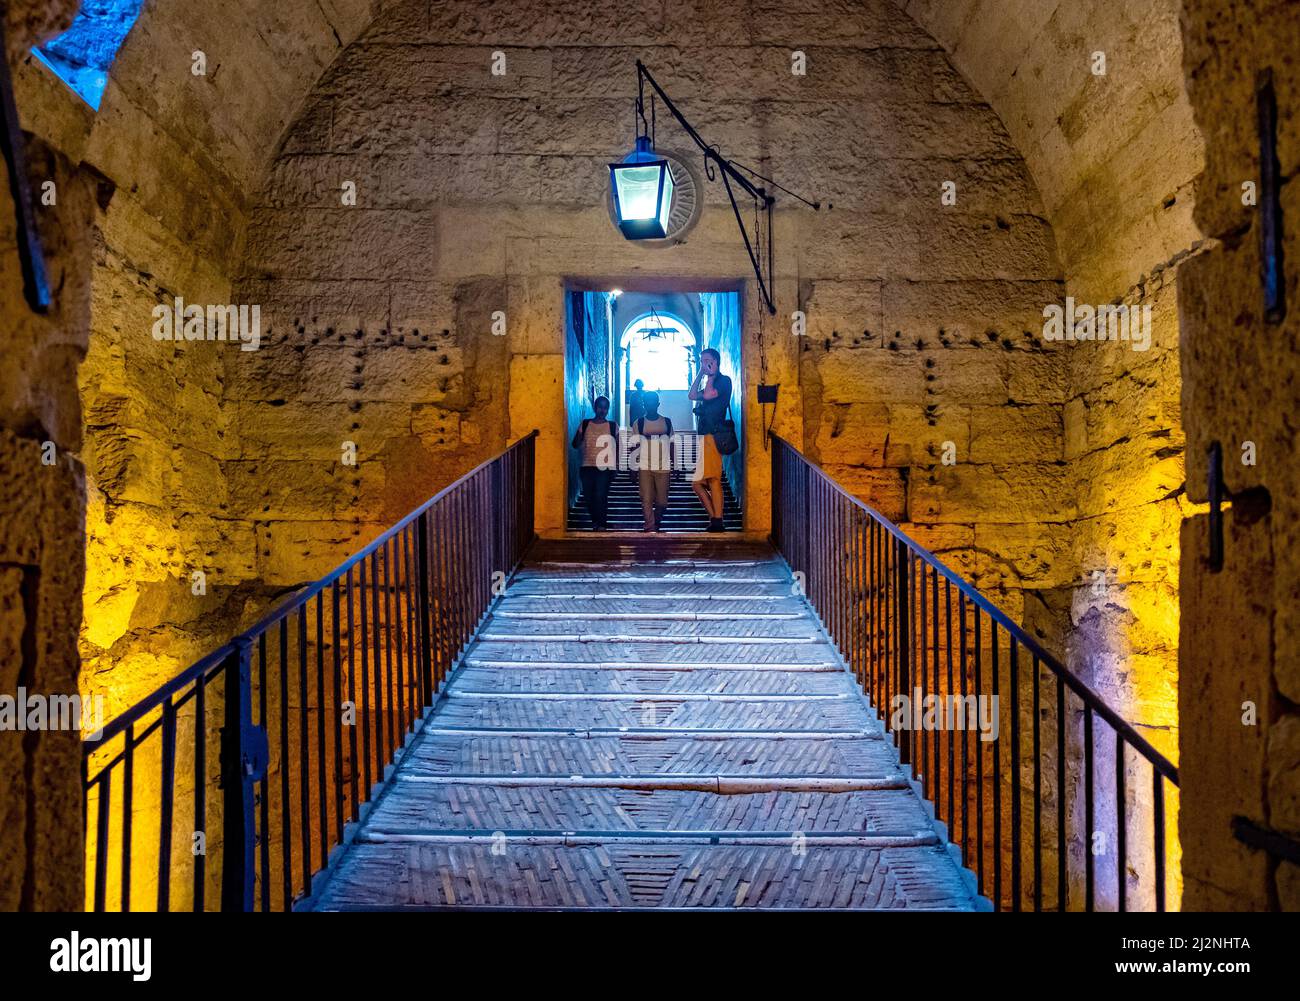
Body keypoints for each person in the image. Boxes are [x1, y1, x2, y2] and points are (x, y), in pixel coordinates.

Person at [688, 348, 732, 532]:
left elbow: (707, 395)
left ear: (716, 361)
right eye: (702, 360)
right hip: (705, 435)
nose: (705, 363)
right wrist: (700, 372)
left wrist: (711, 375)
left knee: (713, 479)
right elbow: (691, 395)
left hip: (714, 435)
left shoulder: (723, 381)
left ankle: (717, 519)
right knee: (697, 483)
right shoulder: (707, 378)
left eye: (708, 360)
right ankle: (715, 518)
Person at [571, 396, 617, 530]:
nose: (602, 410)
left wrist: (616, 467)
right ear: (595, 408)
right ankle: (595, 521)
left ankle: (601, 524)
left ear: (607, 410)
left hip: (605, 467)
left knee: (600, 495)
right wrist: (580, 435)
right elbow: (575, 444)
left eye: (605, 407)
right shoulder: (585, 424)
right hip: (587, 465)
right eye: (600, 407)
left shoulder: (612, 426)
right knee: (589, 497)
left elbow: (617, 447)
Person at [633, 391, 673, 532]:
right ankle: (650, 527)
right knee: (646, 499)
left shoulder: (666, 422)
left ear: (658, 404)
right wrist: (633, 467)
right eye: (647, 402)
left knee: (662, 502)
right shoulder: (639, 423)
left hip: (663, 466)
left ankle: (655, 520)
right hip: (645, 466)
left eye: (653, 402)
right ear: (644, 405)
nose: (650, 405)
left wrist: (677, 465)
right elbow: (635, 446)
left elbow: (672, 444)